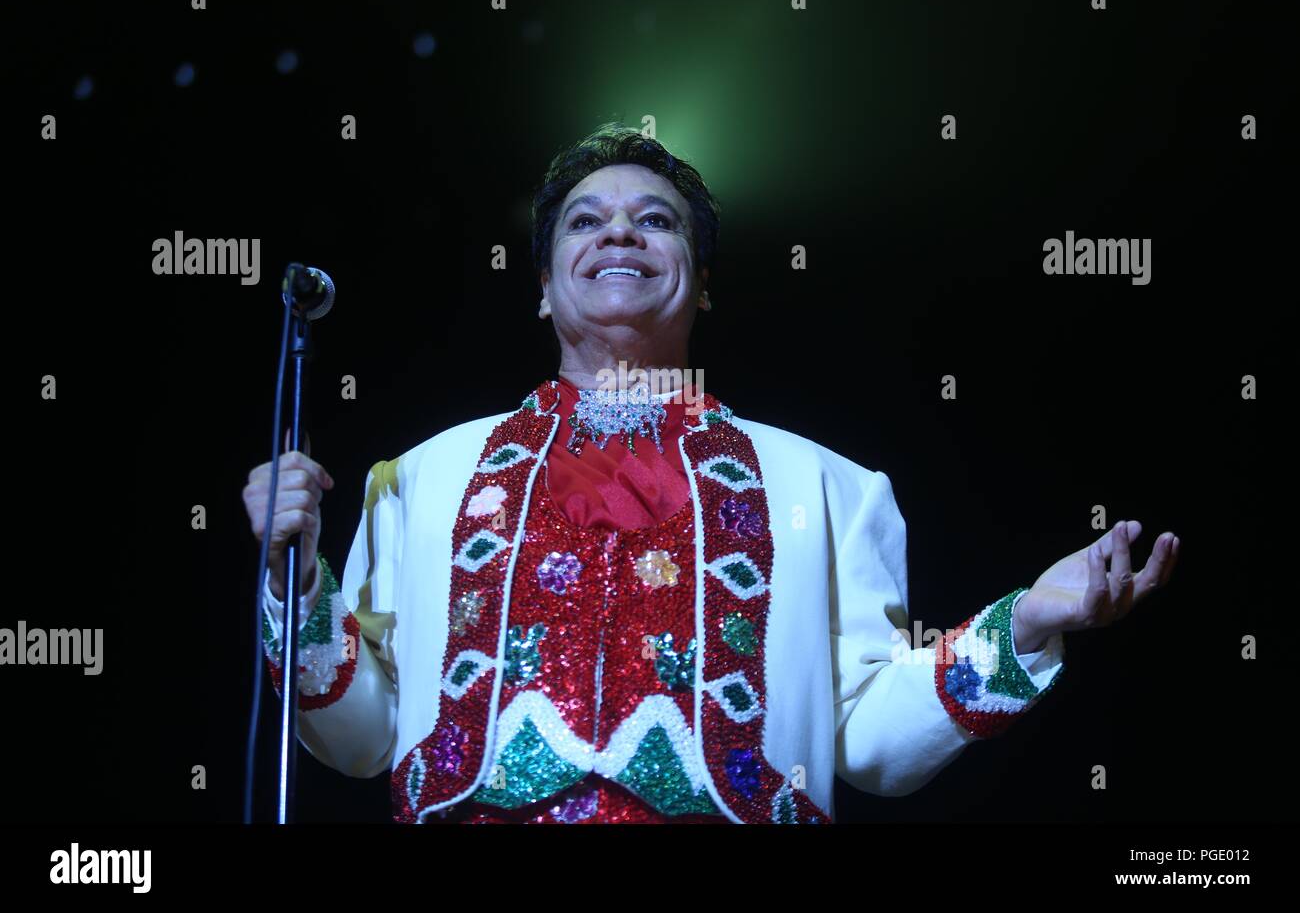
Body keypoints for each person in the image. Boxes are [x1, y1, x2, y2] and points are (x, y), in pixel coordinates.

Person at [242, 123, 1181, 824]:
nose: (621, 236)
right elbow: (362, 735)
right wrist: (299, 579)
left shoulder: (828, 487)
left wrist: (1023, 627)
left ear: (700, 277)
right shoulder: (420, 478)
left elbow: (868, 741)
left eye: (656, 222)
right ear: (541, 282)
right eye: (586, 222)